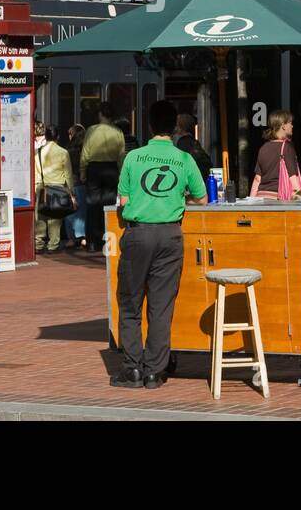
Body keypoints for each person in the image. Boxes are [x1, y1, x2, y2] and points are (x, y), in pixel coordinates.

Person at [111, 99, 208, 390]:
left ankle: (132, 369)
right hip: (170, 235)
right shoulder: (184, 159)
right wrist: (179, 199)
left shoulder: (133, 157)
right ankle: (155, 371)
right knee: (161, 306)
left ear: (150, 125)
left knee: (129, 303)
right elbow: (202, 198)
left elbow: (124, 201)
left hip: (138, 234)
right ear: (174, 127)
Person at [81, 103, 126, 254]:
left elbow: (85, 154)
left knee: (92, 205)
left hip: (94, 169)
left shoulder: (91, 130)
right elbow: (121, 155)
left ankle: (92, 242)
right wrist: (121, 174)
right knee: (109, 205)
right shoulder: (118, 131)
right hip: (112, 169)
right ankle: (108, 240)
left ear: (100, 114)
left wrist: (82, 172)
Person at [33, 122, 74, 254]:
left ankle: (38, 244)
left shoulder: (38, 152)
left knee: (41, 217)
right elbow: (68, 173)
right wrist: (70, 190)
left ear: (46, 135)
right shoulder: (63, 152)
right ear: (57, 137)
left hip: (41, 186)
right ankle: (53, 245)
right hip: (58, 187)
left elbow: (35, 172)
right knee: (55, 219)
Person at [250, 109, 301, 199]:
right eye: (290, 123)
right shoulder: (287, 147)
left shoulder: (263, 148)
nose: (292, 126)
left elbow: (257, 179)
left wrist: (251, 201)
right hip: (278, 199)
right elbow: (293, 177)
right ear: (283, 126)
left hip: (261, 197)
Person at [63, 123, 87, 249]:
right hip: (84, 183)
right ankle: (83, 237)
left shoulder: (67, 151)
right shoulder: (85, 149)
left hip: (71, 182)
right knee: (83, 211)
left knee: (71, 211)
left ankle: (72, 238)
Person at [173, 113, 212, 177]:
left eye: (176, 125)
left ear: (181, 127)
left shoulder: (183, 142)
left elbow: (181, 165)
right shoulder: (193, 141)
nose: (175, 127)